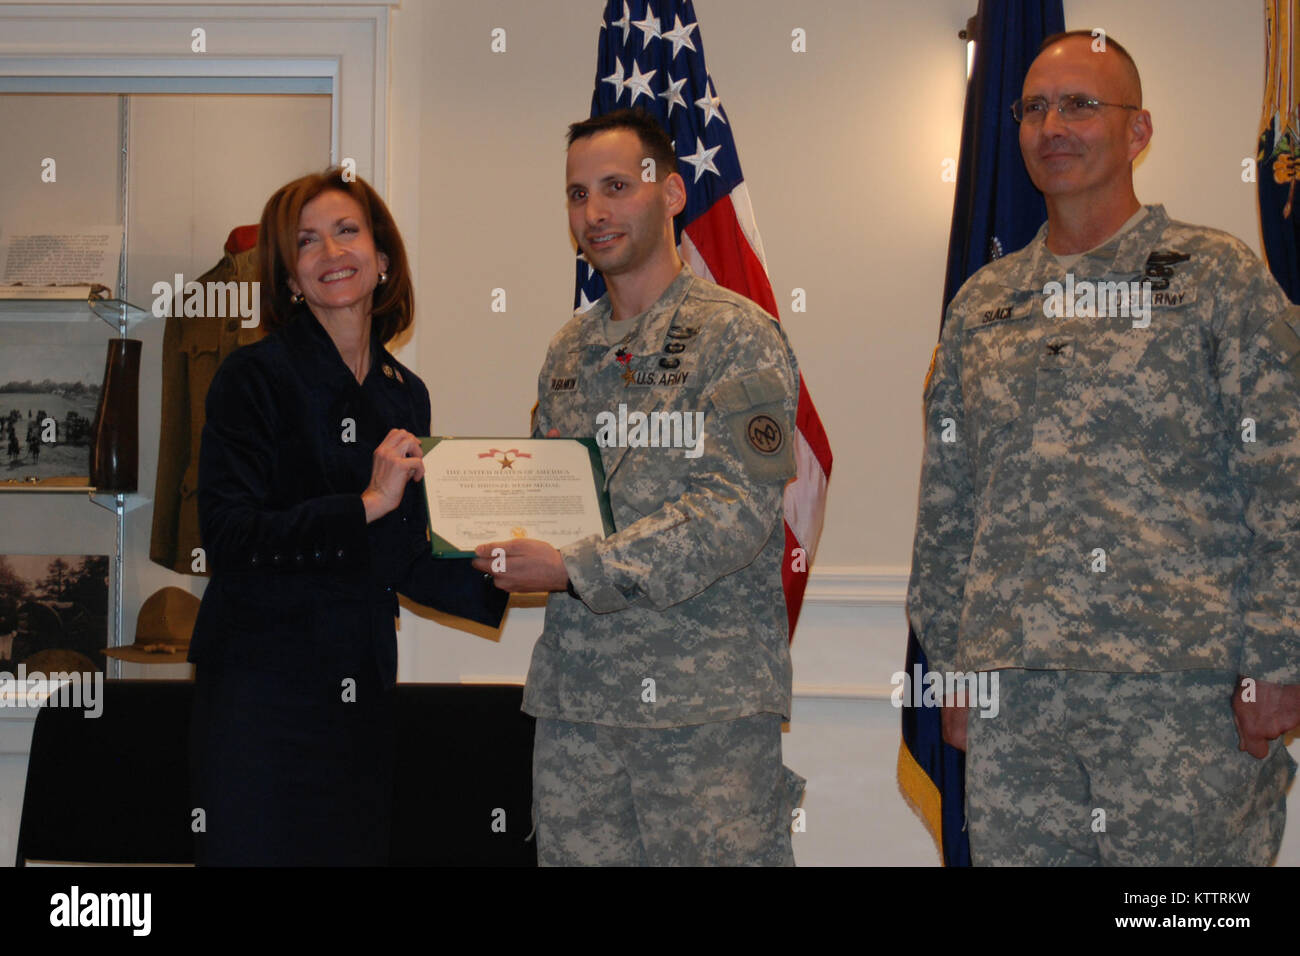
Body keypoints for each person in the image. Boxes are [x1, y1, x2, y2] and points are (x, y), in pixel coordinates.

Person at [908, 31, 1300, 866]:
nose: (1053, 125)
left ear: (1138, 131)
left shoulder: (1215, 278)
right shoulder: (985, 304)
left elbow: (1286, 478)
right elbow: (949, 505)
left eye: (1082, 105)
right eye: (1035, 108)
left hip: (1181, 695)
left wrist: (1281, 656)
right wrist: (953, 665)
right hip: (1017, 699)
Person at [472, 108, 805, 866]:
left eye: (617, 187)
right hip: (578, 708)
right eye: (577, 193)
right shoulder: (568, 350)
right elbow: (552, 491)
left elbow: (738, 509)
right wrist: (464, 505)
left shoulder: (740, 336)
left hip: (704, 711)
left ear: (673, 192)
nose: (593, 213)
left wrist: (576, 568)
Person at [189, 167, 507, 865]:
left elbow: (398, 552)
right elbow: (230, 537)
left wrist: (503, 569)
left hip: (359, 690)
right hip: (260, 695)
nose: (331, 254)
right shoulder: (252, 378)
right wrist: (363, 504)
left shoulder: (404, 395)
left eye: (347, 232)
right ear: (290, 278)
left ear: (383, 257)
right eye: (307, 243)